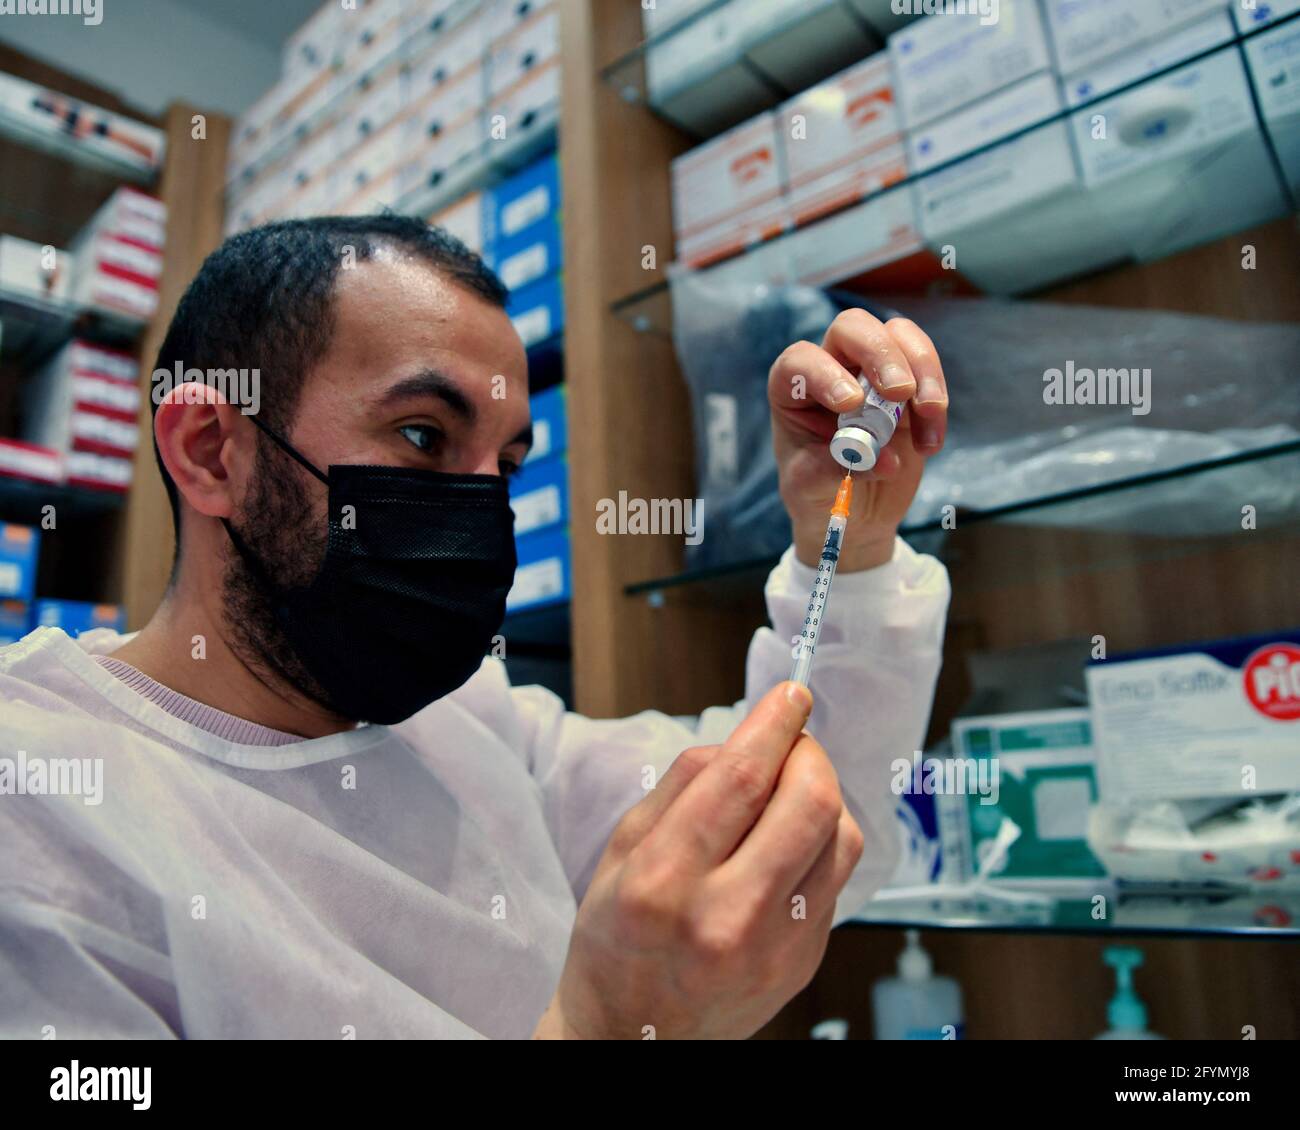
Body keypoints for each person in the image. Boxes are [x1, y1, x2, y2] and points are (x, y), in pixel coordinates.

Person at [0, 215, 950, 1039]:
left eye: (507, 465)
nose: (479, 511)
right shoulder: (42, 811)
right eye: (422, 435)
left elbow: (803, 839)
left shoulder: (472, 732)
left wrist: (851, 540)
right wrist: (598, 1029)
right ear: (213, 450)